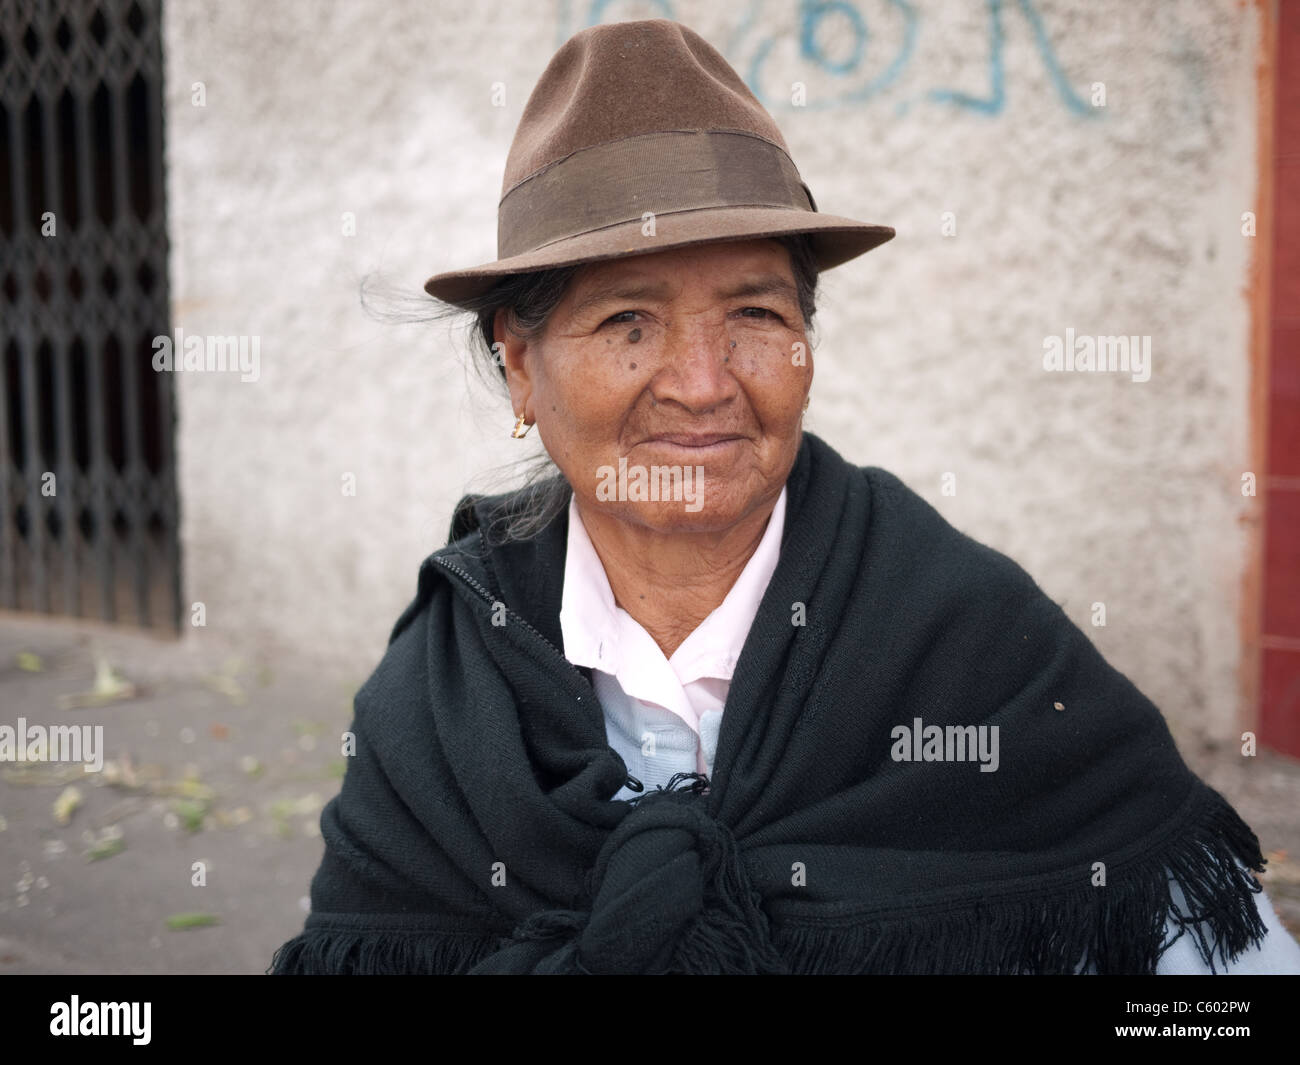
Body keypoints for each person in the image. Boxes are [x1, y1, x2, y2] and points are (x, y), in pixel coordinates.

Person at [270, 18, 1300, 974]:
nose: (704, 380)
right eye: (629, 322)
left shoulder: (965, 639)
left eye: (755, 314)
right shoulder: (446, 697)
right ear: (520, 369)